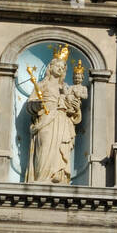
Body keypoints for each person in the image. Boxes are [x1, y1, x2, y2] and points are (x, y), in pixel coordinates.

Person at [24, 48, 81, 184]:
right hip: (46, 120)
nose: (60, 69)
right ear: (51, 67)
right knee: (44, 148)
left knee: (60, 149)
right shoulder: (41, 85)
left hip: (62, 120)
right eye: (58, 66)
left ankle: (59, 178)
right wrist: (37, 105)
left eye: (63, 67)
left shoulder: (66, 88)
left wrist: (75, 107)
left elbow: (74, 111)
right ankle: (41, 178)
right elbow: (29, 105)